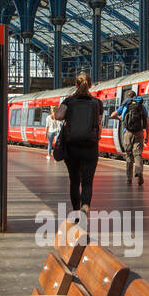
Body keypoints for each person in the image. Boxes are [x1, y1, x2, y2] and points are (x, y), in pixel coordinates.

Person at [54, 72, 102, 217]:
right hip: (90, 146)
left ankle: (75, 211)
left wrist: (61, 110)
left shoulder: (68, 101)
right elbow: (98, 125)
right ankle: (85, 206)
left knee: (75, 181)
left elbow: (58, 116)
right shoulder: (97, 103)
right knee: (88, 182)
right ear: (90, 85)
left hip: (72, 146)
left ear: (76, 84)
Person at [114, 89, 148, 187]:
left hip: (128, 133)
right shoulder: (141, 106)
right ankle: (139, 171)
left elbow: (113, 114)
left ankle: (129, 179)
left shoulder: (125, 105)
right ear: (136, 96)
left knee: (129, 155)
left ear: (127, 97)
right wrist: (147, 135)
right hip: (139, 133)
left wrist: (121, 118)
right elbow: (147, 121)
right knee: (137, 154)